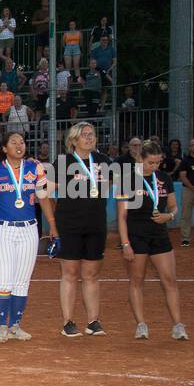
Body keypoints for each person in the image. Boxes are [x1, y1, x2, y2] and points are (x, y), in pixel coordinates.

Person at [116, 141, 186, 342]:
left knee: (170, 280)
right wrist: (125, 243)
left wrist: (169, 217)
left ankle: (178, 325)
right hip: (136, 236)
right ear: (140, 159)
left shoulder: (164, 178)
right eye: (150, 163)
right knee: (137, 281)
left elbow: (173, 206)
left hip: (160, 235)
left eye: (157, 163)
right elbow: (122, 216)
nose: (154, 167)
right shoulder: (127, 180)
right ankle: (141, 324)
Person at [0, 131, 54, 341]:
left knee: (22, 281)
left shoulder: (35, 168)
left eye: (22, 142)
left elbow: (43, 197)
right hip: (2, 229)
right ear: (4, 148)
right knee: (3, 279)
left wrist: (52, 225)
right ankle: (1, 326)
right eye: (14, 142)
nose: (19, 145)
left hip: (29, 229)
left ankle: (15, 325)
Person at [55, 121, 117, 337]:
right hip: (69, 225)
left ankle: (93, 321)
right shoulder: (63, 162)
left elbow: (117, 183)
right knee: (70, 272)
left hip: (96, 224)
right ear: (73, 140)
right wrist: (54, 224)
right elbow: (45, 191)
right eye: (85, 135)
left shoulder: (102, 161)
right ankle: (68, 322)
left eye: (92, 134)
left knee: (91, 273)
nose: (90, 138)